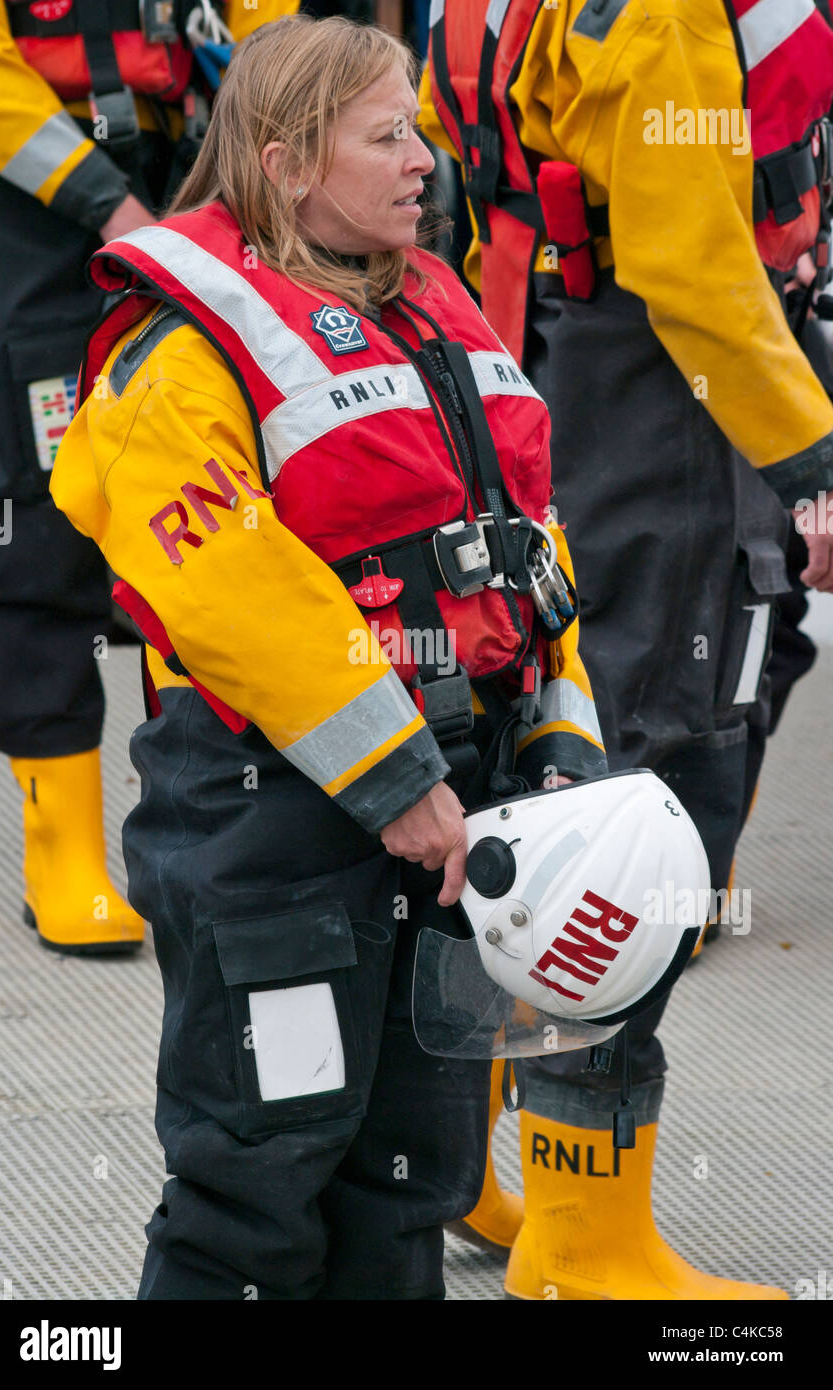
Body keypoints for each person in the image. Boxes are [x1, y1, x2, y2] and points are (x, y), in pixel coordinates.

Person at [50, 14, 607, 1300]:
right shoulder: (177, 352)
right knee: (255, 1182)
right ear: (291, 161)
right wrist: (403, 782)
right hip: (275, 835)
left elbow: (527, 548)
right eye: (387, 135)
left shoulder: (435, 311)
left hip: (460, 822)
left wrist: (561, 735)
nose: (424, 159)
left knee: (413, 1180)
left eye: (418, 128)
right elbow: (233, 586)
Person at [419, 0, 833, 1300]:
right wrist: (809, 465)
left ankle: (476, 1177)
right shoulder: (658, 19)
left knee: (551, 787)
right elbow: (695, 272)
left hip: (552, 362)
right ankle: (582, 1239)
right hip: (665, 392)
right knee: (637, 821)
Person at [0, 0, 295, 953]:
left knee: (218, 501)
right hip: (28, 214)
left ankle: (225, 818)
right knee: (40, 530)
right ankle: (60, 848)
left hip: (191, 176)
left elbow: (270, 28)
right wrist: (108, 204)